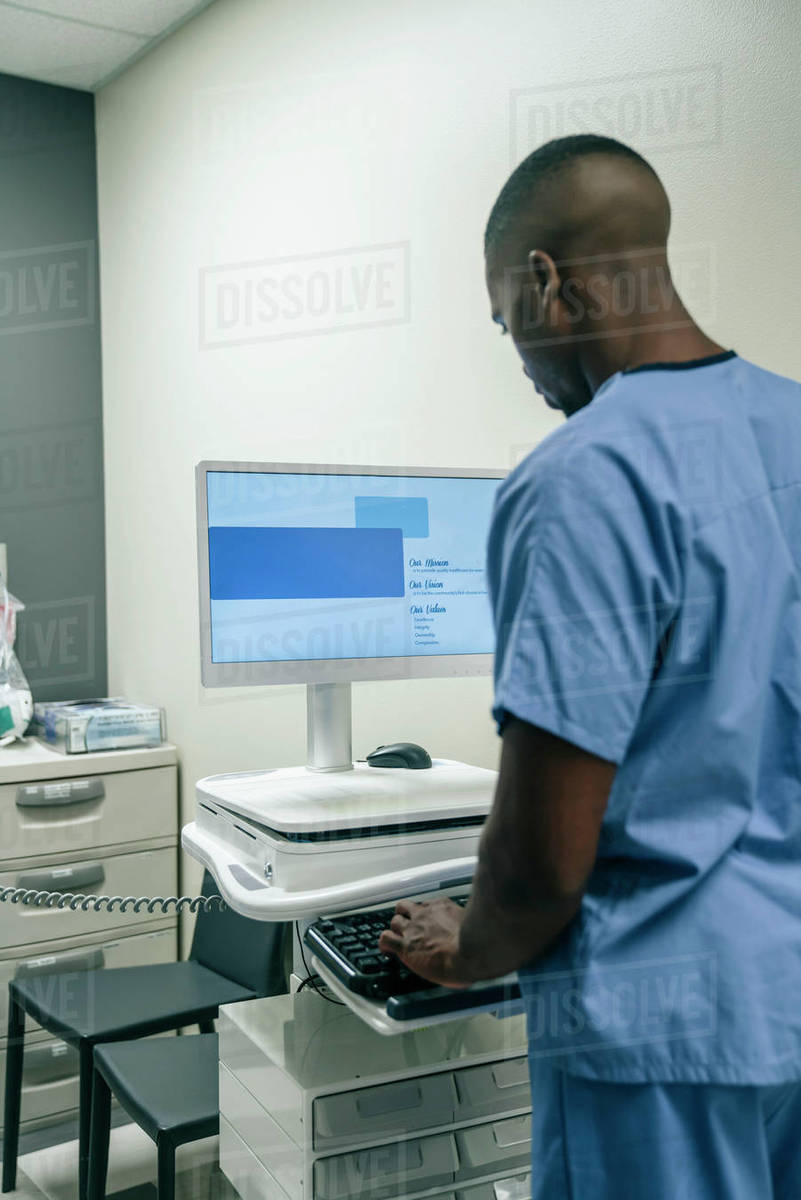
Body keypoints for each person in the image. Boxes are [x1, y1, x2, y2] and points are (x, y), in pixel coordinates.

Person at [379, 133, 801, 1198]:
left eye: (501, 320)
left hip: (659, 1031)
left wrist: (466, 946)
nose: (517, 358)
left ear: (546, 284)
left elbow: (540, 865)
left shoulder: (582, 479)